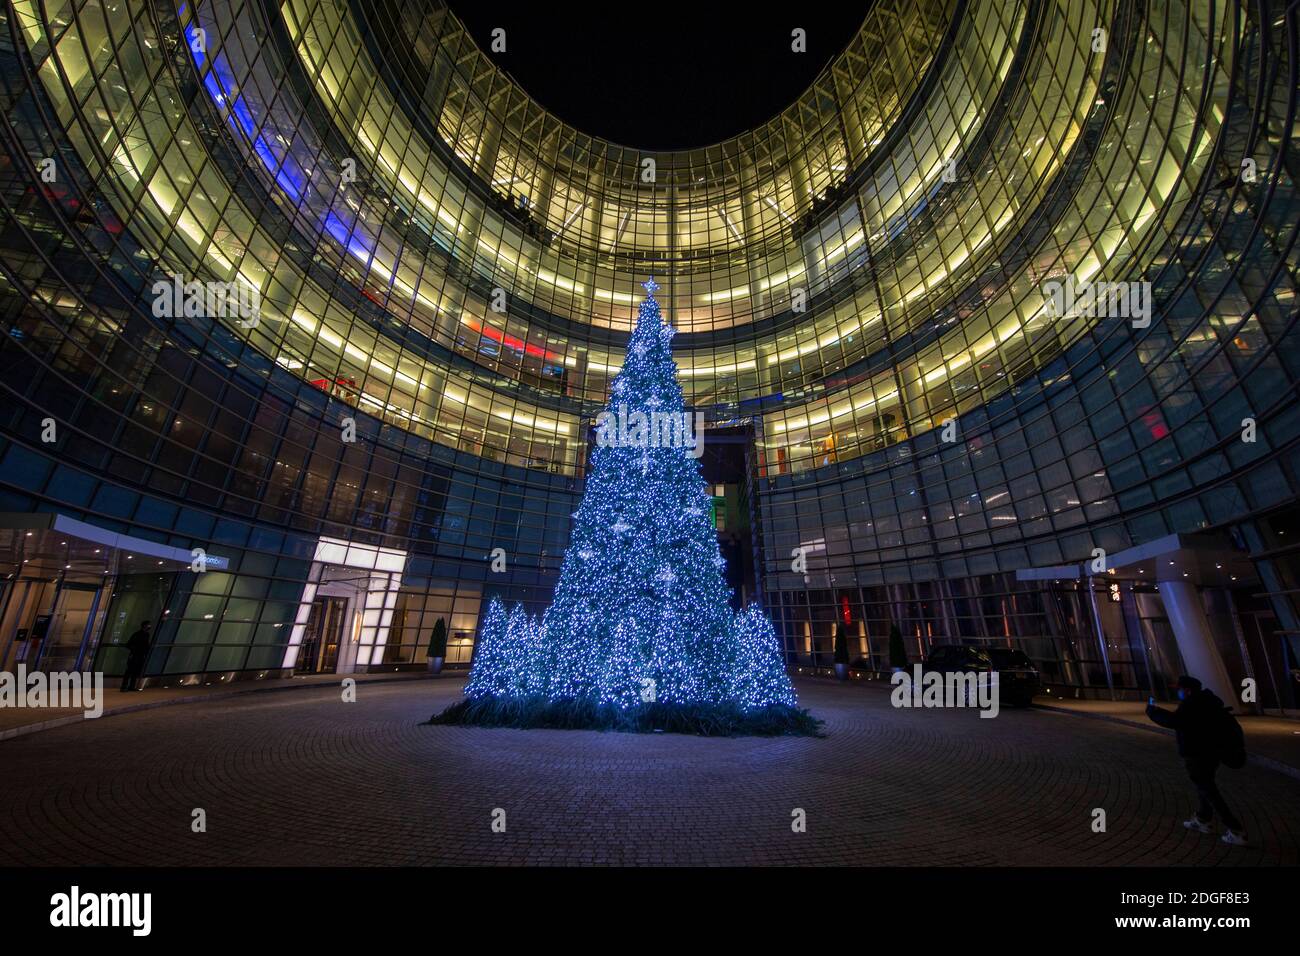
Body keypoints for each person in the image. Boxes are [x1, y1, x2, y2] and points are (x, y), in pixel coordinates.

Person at [1146, 675, 1247, 846]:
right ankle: (1203, 819)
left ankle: (1235, 829)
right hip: (1211, 753)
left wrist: (1152, 711)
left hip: (1197, 754)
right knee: (1204, 786)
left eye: (1179, 689)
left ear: (1187, 690)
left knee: (1208, 790)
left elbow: (1175, 721)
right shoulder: (1207, 701)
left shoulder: (1193, 705)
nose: (1178, 692)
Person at [120, 621, 152, 693]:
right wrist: (134, 650)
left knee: (135, 672)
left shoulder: (146, 634)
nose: (149, 627)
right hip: (134, 655)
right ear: (144, 626)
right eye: (148, 625)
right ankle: (124, 687)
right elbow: (129, 644)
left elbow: (146, 645)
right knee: (129, 671)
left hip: (140, 655)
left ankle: (131, 686)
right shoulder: (137, 634)